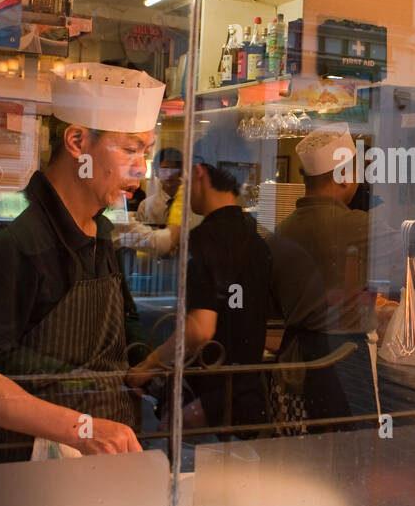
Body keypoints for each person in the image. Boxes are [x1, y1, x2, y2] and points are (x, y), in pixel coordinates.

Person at [0, 62, 165, 461]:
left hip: (106, 462)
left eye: (145, 152)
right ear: (77, 142)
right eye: (129, 149)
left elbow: (118, 333)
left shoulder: (101, 232)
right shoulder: (10, 233)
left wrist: (147, 365)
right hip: (31, 467)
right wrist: (82, 429)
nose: (140, 170)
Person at [132, 112, 273, 433]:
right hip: (248, 396)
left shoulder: (205, 240)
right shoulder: (257, 239)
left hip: (209, 400)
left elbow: (199, 330)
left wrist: (147, 365)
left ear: (199, 173)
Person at [275, 122, 377, 423]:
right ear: (344, 177)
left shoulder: (283, 228)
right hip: (341, 359)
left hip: (291, 357)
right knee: (347, 454)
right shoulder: (357, 226)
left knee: (302, 459)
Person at [114, 146, 187, 257]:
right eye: (164, 169)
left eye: (174, 169)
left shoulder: (190, 205)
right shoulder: (146, 205)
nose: (169, 174)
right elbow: (141, 240)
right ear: (157, 172)